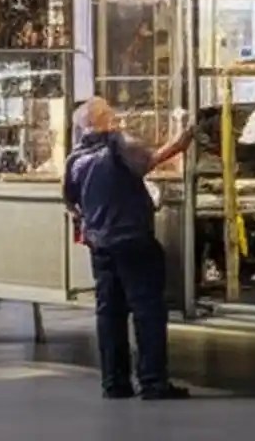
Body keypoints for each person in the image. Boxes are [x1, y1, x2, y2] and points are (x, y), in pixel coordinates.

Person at [63, 97, 194, 400]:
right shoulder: (117, 144)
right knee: (147, 310)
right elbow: (150, 160)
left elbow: (71, 201)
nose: (117, 119)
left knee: (109, 313)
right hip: (133, 239)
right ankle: (153, 381)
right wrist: (181, 139)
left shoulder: (74, 159)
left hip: (101, 245)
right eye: (111, 114)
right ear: (103, 121)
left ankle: (114, 381)